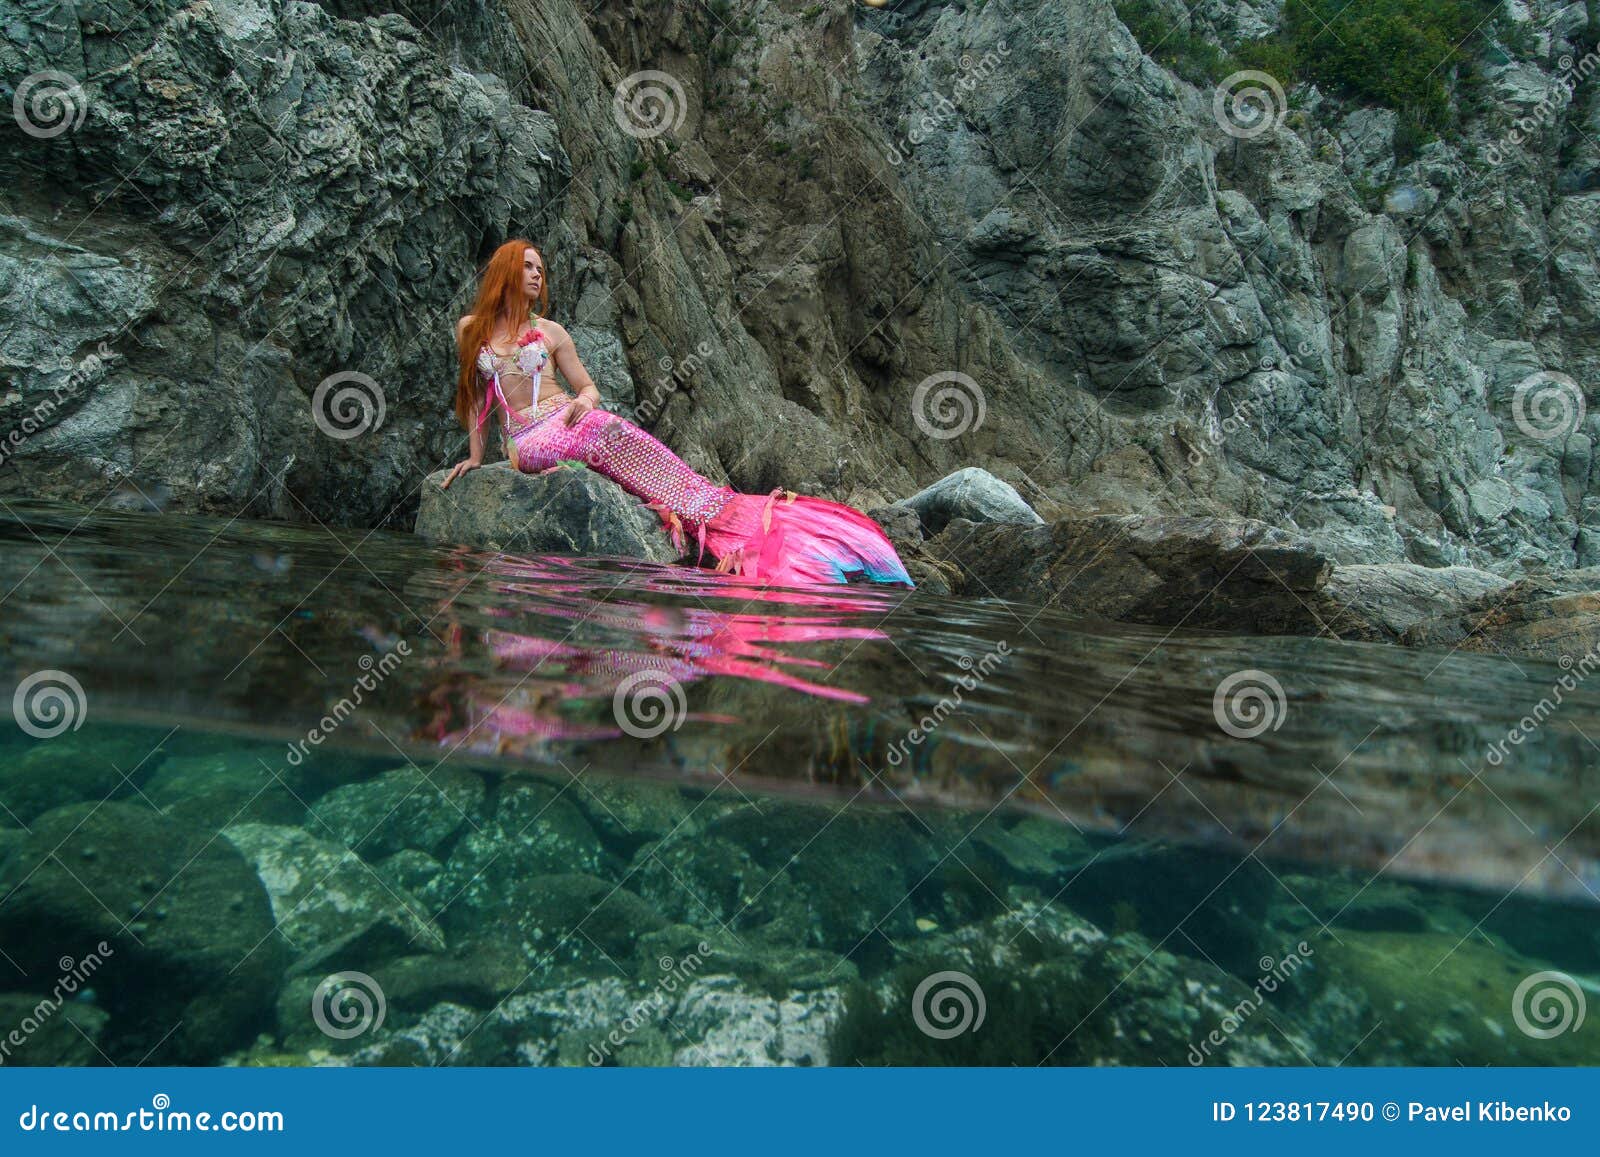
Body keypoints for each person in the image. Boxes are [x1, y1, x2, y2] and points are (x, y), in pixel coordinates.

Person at [442, 239, 914, 588]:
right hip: (526, 437)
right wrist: (477, 458)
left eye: (541, 269)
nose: (536, 275)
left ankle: (707, 510)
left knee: (613, 427)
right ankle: (701, 510)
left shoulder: (552, 331)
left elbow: (588, 388)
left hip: (567, 415)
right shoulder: (471, 329)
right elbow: (475, 399)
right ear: (505, 272)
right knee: (600, 434)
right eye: (527, 266)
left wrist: (584, 401)